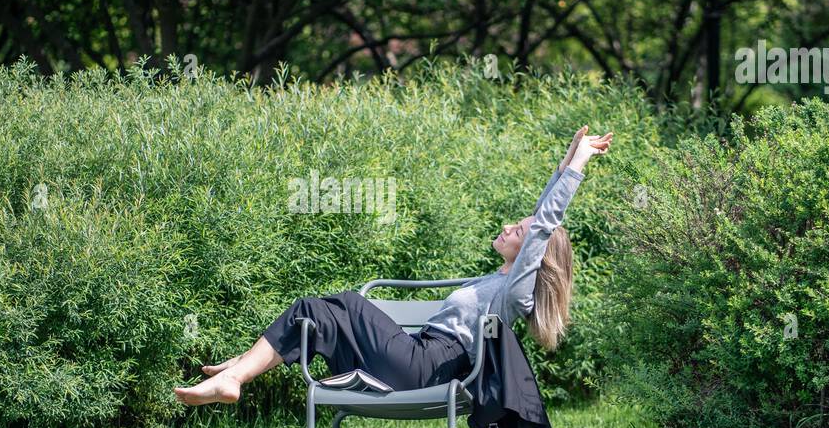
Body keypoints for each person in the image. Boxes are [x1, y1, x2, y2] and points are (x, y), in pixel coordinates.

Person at [174, 126, 613, 406]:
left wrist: (577, 167)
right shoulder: (499, 280)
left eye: (515, 231)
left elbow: (545, 225)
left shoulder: (514, 292)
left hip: (425, 365)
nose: (507, 227)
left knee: (343, 301)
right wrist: (565, 161)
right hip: (416, 357)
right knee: (314, 309)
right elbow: (541, 218)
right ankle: (237, 373)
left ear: (533, 258)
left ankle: (237, 373)